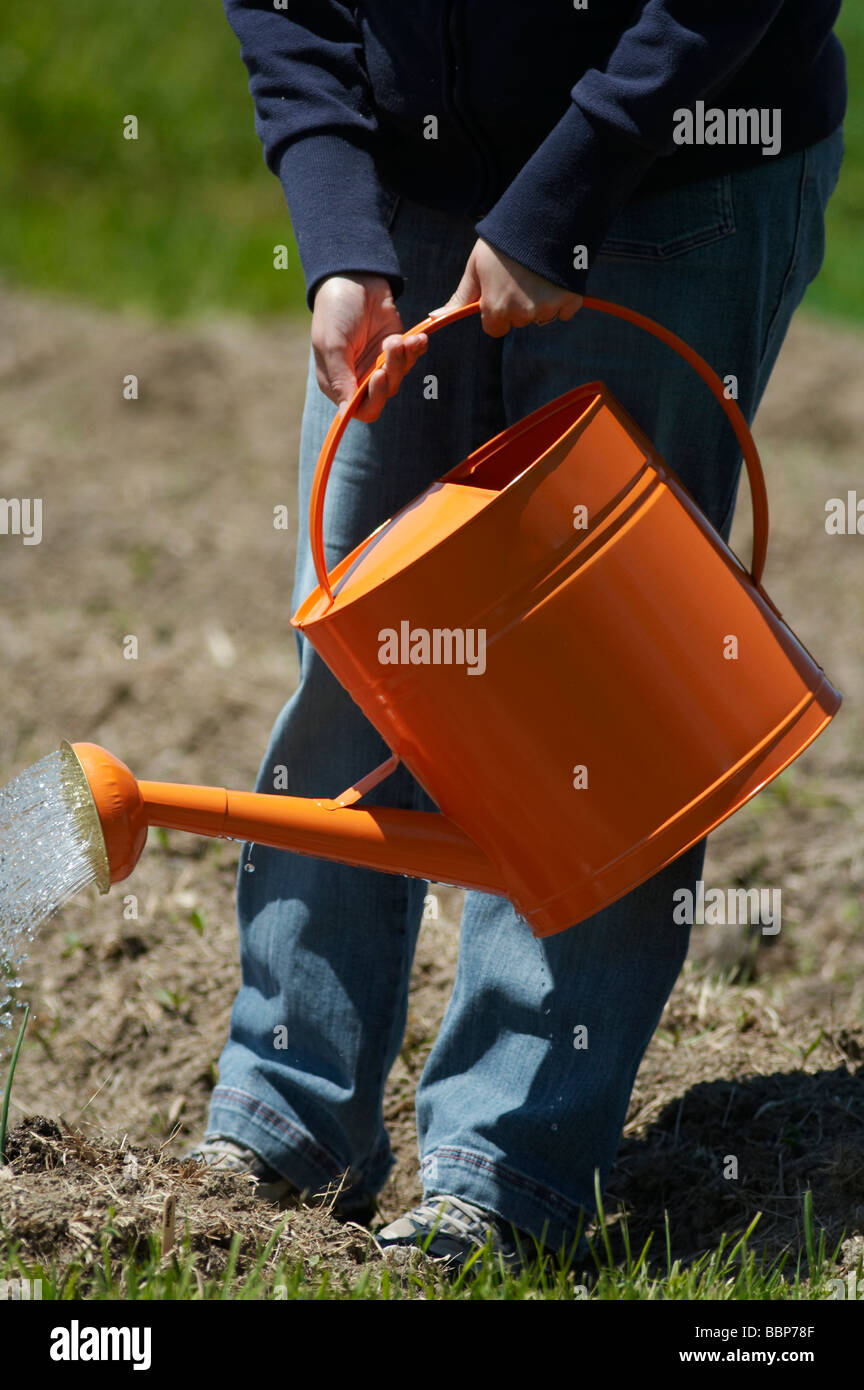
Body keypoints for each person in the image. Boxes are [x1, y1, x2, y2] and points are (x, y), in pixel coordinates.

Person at [191, 1, 846, 1267]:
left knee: (592, 674)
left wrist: (572, 183)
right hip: (405, 187)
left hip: (670, 170)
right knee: (360, 652)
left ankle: (509, 1170)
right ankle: (285, 1113)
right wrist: (338, 226)